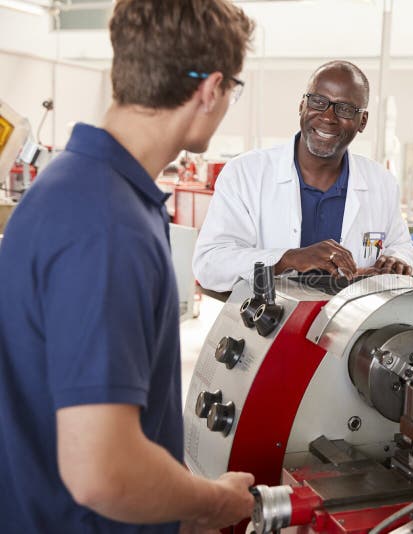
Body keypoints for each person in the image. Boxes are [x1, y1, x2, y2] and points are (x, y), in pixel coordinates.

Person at [0, 1, 256, 532]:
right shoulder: (106, 225)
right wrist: (208, 501)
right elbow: (102, 471)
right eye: (233, 87)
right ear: (209, 89)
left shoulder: (83, 188)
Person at [193, 61, 413, 292]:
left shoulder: (381, 182)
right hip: (267, 325)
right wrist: (287, 259)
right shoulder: (245, 173)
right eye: (318, 102)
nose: (328, 117)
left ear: (363, 122)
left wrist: (396, 261)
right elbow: (210, 263)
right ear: (302, 106)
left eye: (345, 109)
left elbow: (400, 247)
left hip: (351, 325)